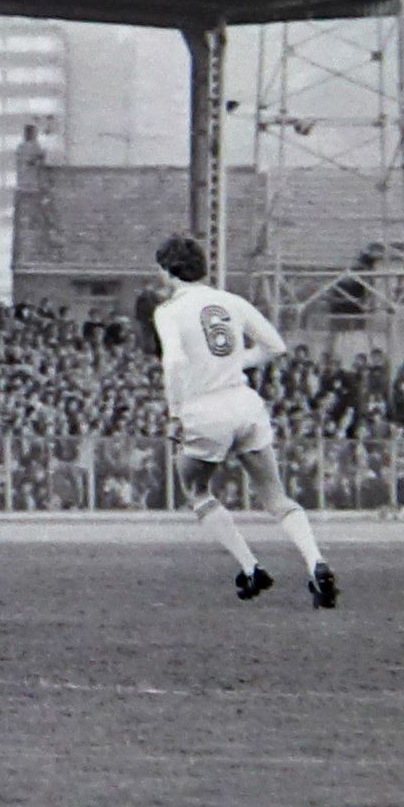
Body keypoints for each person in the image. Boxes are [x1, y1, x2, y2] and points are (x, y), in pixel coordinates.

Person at [149, 234, 338, 608]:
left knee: (197, 490)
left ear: (169, 272)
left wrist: (173, 413)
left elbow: (173, 362)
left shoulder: (169, 311)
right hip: (244, 402)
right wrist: (237, 362)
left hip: (204, 409)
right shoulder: (231, 301)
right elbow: (275, 347)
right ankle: (316, 561)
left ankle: (251, 568)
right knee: (275, 495)